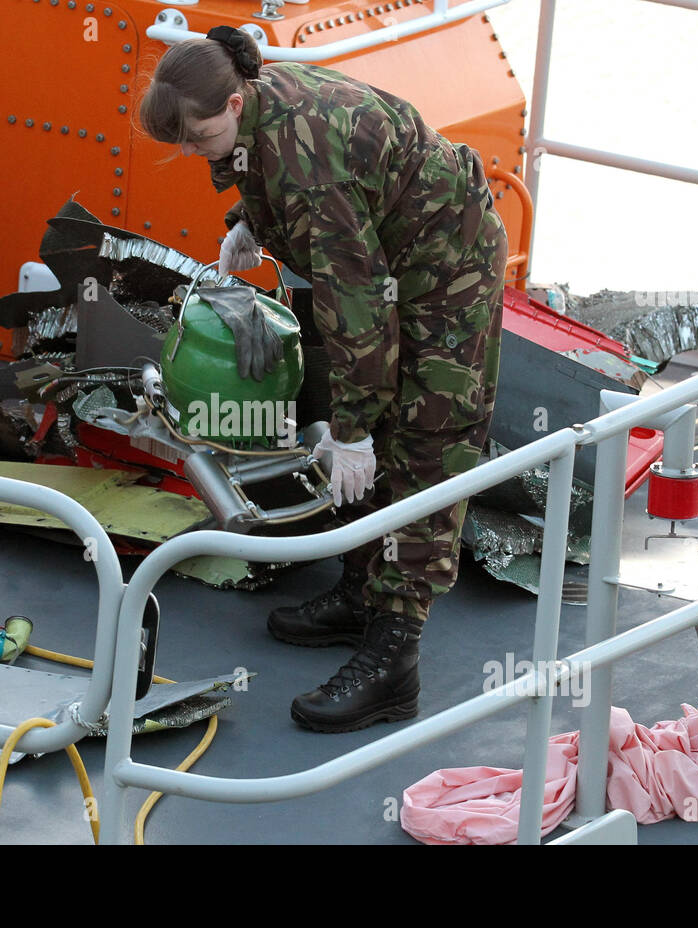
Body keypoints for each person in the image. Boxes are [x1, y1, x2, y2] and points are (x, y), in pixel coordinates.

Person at [138, 25, 506, 732]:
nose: (191, 150)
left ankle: (394, 656)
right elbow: (271, 167)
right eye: (180, 140)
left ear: (237, 103)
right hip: (390, 249)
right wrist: (250, 216)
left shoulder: (306, 168)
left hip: (444, 264)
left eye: (200, 134)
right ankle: (361, 593)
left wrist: (355, 431)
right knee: (370, 417)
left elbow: (357, 307)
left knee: (427, 440)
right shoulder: (260, 96)